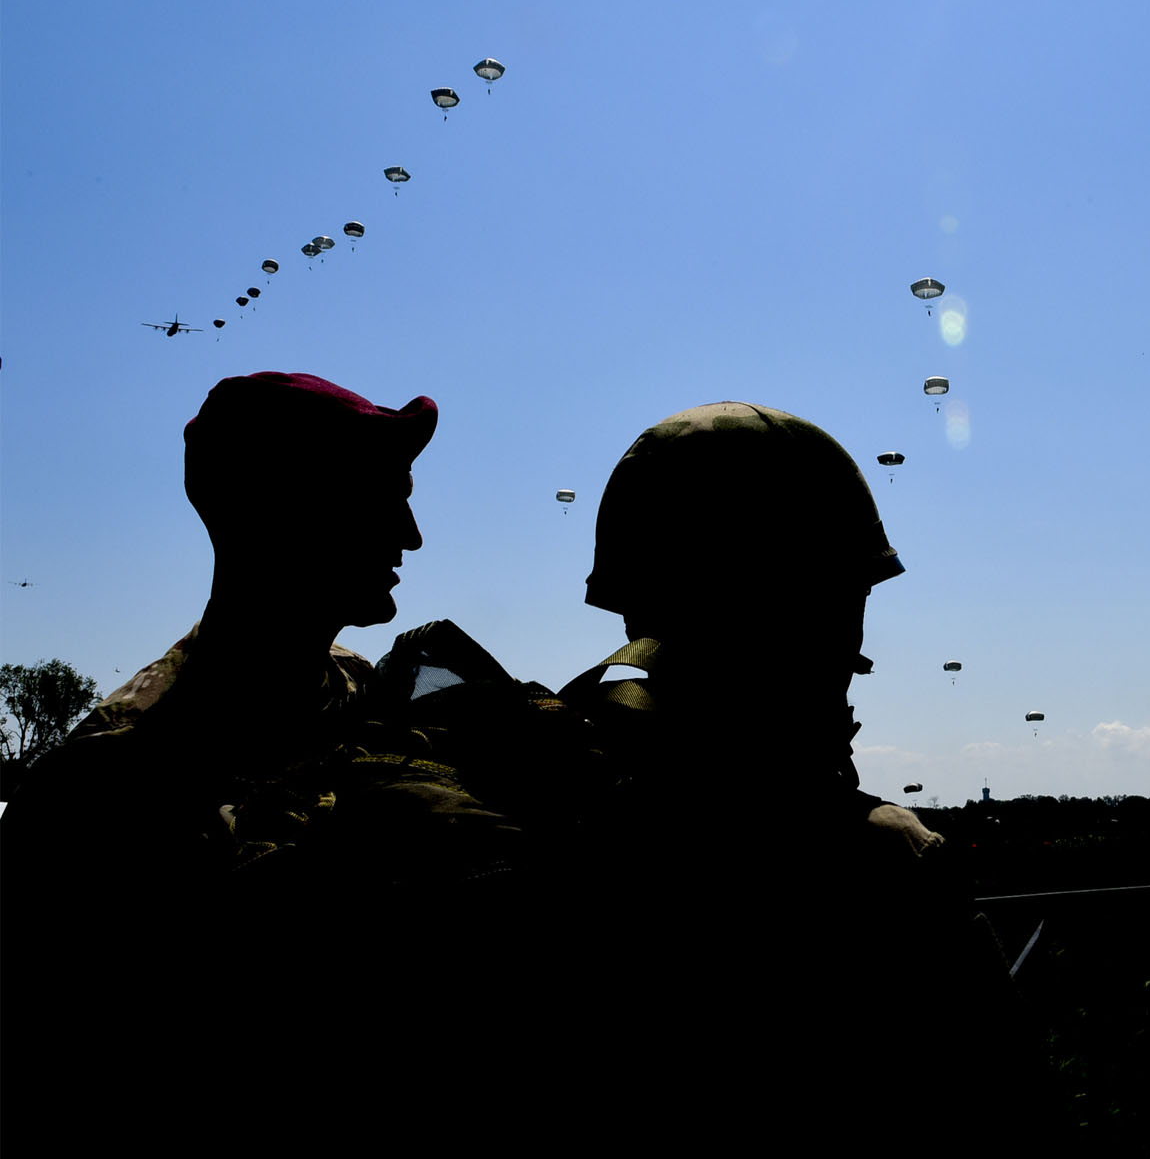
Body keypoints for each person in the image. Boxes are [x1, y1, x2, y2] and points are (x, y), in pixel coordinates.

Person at [0, 372, 488, 1146]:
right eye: (382, 496)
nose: (411, 533)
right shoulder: (99, 788)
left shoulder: (391, 694)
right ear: (283, 510)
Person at [557, 401, 1047, 1154]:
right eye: (847, 595)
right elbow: (1008, 1133)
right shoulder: (878, 866)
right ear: (806, 602)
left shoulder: (555, 792)